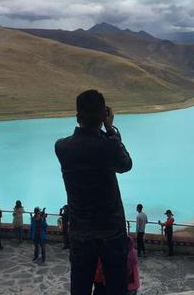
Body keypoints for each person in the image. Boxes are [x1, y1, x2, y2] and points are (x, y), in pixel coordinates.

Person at [55, 89, 133, 295]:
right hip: (111, 231)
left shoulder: (62, 147)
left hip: (80, 231)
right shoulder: (107, 146)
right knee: (117, 287)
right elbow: (125, 164)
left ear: (77, 116)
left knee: (79, 287)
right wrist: (111, 129)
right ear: (103, 115)